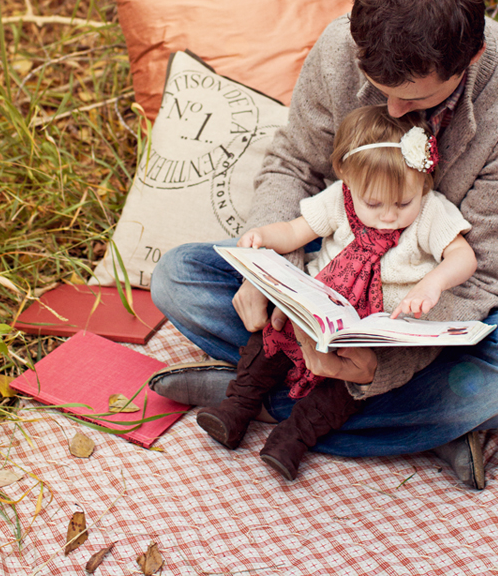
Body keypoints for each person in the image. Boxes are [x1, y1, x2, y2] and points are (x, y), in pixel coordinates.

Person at [150, 0, 498, 490]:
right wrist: (267, 271)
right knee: (178, 276)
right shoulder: (339, 48)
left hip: (450, 300)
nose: (394, 109)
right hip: (328, 275)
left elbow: (485, 274)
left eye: (412, 95)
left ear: (473, 56)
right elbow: (294, 165)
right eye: (381, 90)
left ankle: (258, 399)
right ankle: (430, 425)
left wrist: (381, 366)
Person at [195, 106, 477, 480]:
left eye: (403, 203)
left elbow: (464, 256)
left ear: (424, 183)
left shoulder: (429, 212)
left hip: (368, 336)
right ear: (348, 180)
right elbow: (296, 232)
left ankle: (293, 439)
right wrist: (263, 238)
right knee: (269, 340)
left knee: (345, 391)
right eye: (373, 204)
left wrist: (433, 283)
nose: (388, 216)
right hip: (313, 313)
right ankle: (236, 406)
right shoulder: (338, 199)